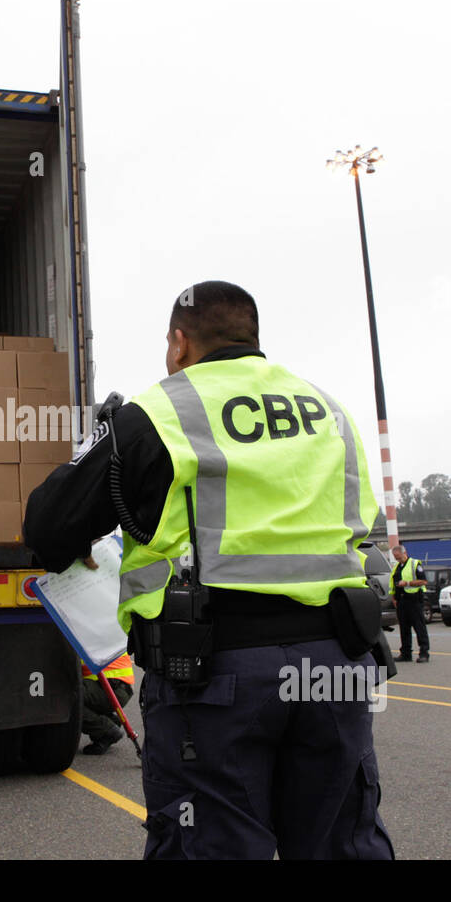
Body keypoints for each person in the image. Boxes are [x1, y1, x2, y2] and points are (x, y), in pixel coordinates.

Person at [25, 281, 394, 860]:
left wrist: (101, 442)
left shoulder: (160, 411)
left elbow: (46, 530)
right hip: (338, 664)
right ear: (252, 337)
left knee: (211, 845)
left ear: (179, 342)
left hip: (213, 675)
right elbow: (365, 534)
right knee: (341, 844)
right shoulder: (331, 410)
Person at [80, 651, 135, 754]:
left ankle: (106, 730)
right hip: (122, 687)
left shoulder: (81, 638)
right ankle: (111, 721)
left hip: (109, 688)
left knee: (67, 698)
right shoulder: (109, 635)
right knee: (80, 693)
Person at [389, 544, 429, 662]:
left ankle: (424, 653)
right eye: (395, 557)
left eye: (399, 557)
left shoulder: (415, 564)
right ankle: (406, 653)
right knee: (404, 628)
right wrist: (394, 598)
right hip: (401, 601)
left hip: (414, 599)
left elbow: (423, 581)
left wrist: (407, 583)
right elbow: (393, 584)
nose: (397, 559)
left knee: (419, 627)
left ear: (404, 553)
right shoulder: (397, 567)